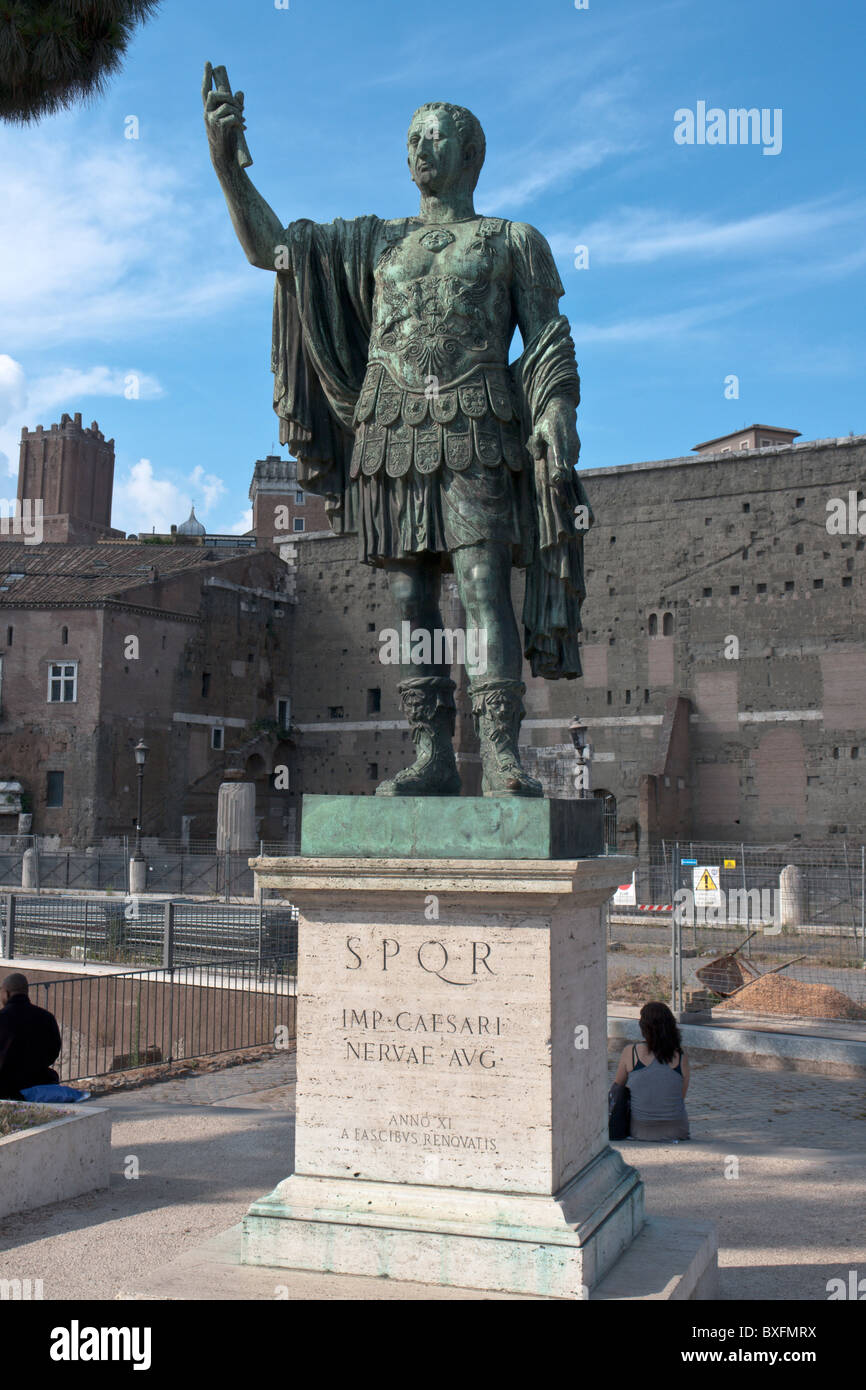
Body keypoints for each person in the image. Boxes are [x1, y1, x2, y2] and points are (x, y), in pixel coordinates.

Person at [203, 70, 593, 799]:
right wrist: (228, 167)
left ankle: (502, 755)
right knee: (410, 598)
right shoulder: (374, 244)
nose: (418, 148)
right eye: (411, 138)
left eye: (433, 137)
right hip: (392, 428)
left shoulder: (511, 241)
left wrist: (556, 409)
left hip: (478, 424)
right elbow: (275, 252)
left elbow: (547, 341)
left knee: (481, 584)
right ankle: (432, 754)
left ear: (470, 155)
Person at [613, 1001, 690, 1141]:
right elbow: (680, 1096)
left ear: (643, 1027)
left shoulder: (630, 1052)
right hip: (677, 1130)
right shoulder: (681, 1057)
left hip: (640, 1130)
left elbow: (617, 1088)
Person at [0, 972, 62, 1100]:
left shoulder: (2, 1018)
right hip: (39, 1082)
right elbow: (53, 1051)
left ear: (6, 993)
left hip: (6, 1087)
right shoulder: (47, 1018)